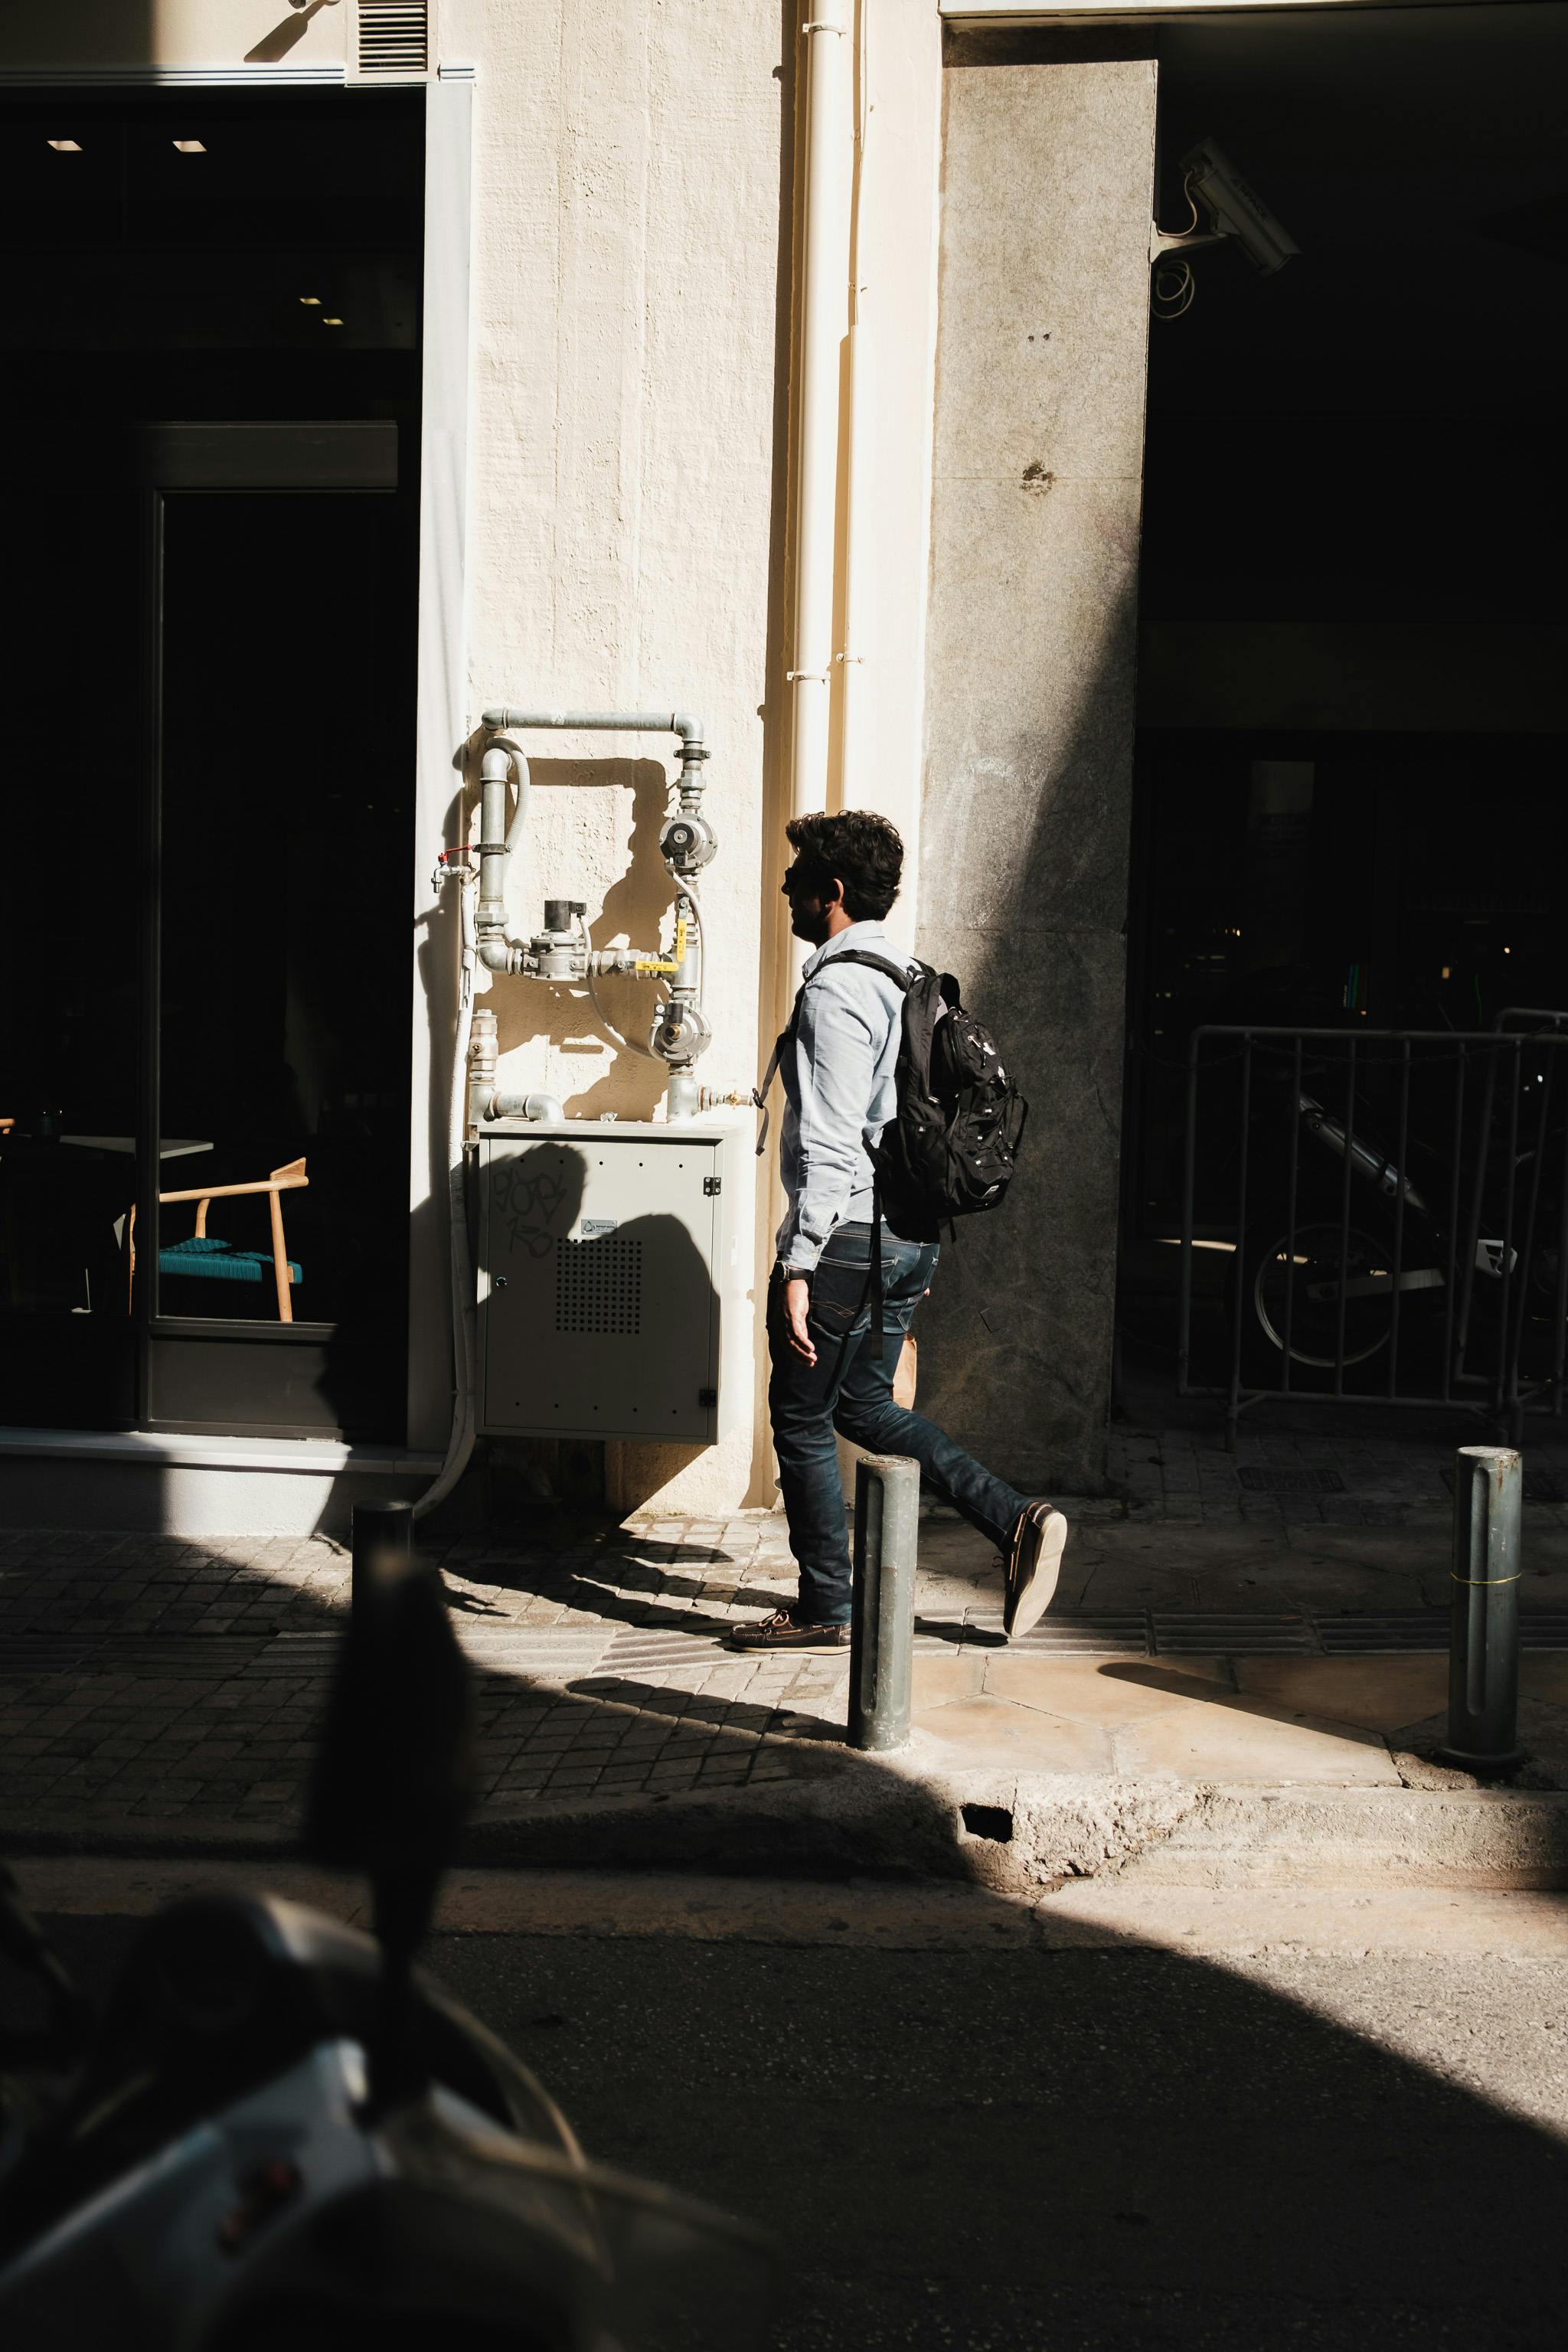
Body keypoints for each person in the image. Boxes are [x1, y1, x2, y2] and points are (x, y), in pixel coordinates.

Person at [731, 809, 1068, 1655]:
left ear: (831, 894)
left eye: (797, 876)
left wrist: (797, 1263)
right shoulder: (906, 973)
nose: (785, 890)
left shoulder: (838, 986)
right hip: (907, 1235)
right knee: (865, 1405)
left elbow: (832, 1138)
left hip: (847, 1238)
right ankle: (1016, 1519)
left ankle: (823, 1604)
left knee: (801, 1416)